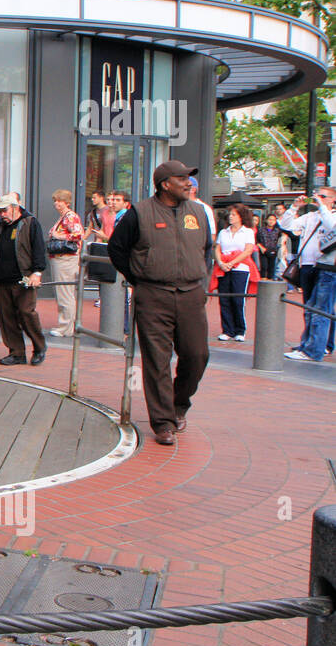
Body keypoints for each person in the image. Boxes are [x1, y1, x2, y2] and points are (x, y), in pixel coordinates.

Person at [108, 160, 212, 446]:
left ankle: (179, 404)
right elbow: (117, 249)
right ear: (166, 184)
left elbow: (207, 250)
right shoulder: (138, 214)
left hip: (191, 294)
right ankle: (163, 422)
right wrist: (137, 276)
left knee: (197, 354)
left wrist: (201, 280)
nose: (189, 183)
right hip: (153, 295)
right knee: (157, 361)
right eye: (183, 179)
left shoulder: (199, 212)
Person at [0, 193, 47, 365]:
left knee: (26, 313)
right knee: (7, 319)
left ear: (15, 207)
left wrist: (37, 272)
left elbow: (38, 249)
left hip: (24, 279)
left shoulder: (30, 223)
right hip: (3, 279)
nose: (1, 214)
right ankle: (17, 353)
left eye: (4, 210)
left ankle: (39, 347)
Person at [280, 191, 336, 358]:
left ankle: (323, 344)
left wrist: (323, 206)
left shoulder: (331, 215)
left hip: (324, 267)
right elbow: (287, 226)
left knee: (322, 308)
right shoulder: (310, 216)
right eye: (317, 195)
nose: (318, 198)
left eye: (323, 196)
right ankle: (311, 342)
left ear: (333, 199)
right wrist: (294, 207)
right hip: (307, 264)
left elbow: (331, 225)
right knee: (310, 307)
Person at [211, 203, 257, 342]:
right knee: (224, 299)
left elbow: (248, 250)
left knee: (238, 299)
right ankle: (227, 329)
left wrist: (232, 262)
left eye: (234, 215)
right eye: (229, 214)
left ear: (241, 217)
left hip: (240, 268)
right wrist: (220, 262)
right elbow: (217, 248)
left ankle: (240, 330)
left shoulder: (247, 232)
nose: (230, 217)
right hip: (223, 267)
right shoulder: (223, 232)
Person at [47, 189, 84, 337]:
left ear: (66, 202)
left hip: (65, 259)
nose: (56, 203)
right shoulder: (65, 217)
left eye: (59, 200)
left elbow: (78, 234)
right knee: (65, 293)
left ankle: (66, 327)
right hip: (63, 258)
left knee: (65, 293)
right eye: (55, 200)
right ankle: (67, 325)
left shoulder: (69, 217)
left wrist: (58, 235)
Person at [255, 212, 283, 280]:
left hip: (273, 251)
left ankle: (270, 281)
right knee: (264, 266)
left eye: (273, 220)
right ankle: (263, 280)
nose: (271, 221)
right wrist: (261, 247)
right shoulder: (261, 230)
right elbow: (256, 241)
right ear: (266, 220)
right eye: (270, 219)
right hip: (263, 250)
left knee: (272, 267)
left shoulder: (277, 230)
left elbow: (281, 239)